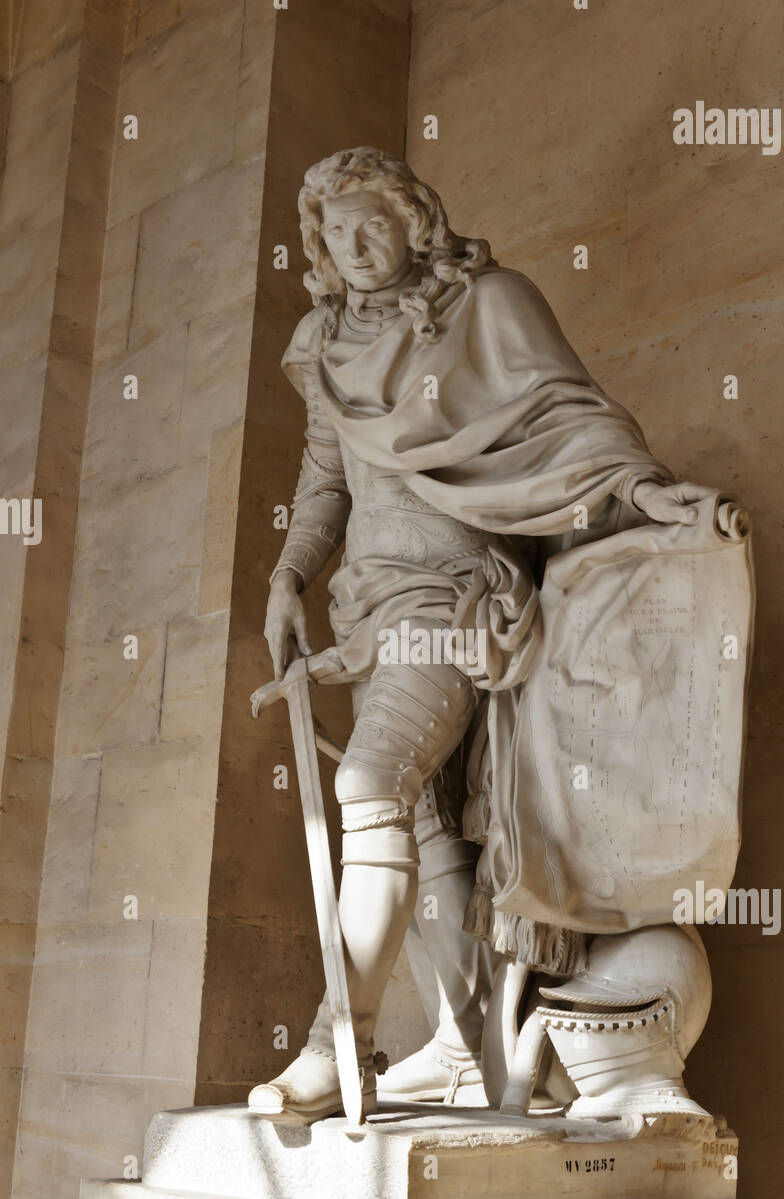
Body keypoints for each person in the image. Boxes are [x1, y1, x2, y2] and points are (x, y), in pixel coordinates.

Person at [247, 147, 717, 1123]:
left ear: (415, 218)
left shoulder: (485, 305)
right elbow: (326, 477)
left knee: (370, 780)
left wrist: (637, 489)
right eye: (336, 230)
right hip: (369, 610)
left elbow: (571, 420)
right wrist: (292, 573)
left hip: (460, 600)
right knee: (428, 821)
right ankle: (469, 1047)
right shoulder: (325, 343)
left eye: (374, 219)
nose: (357, 243)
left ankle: (340, 1041)